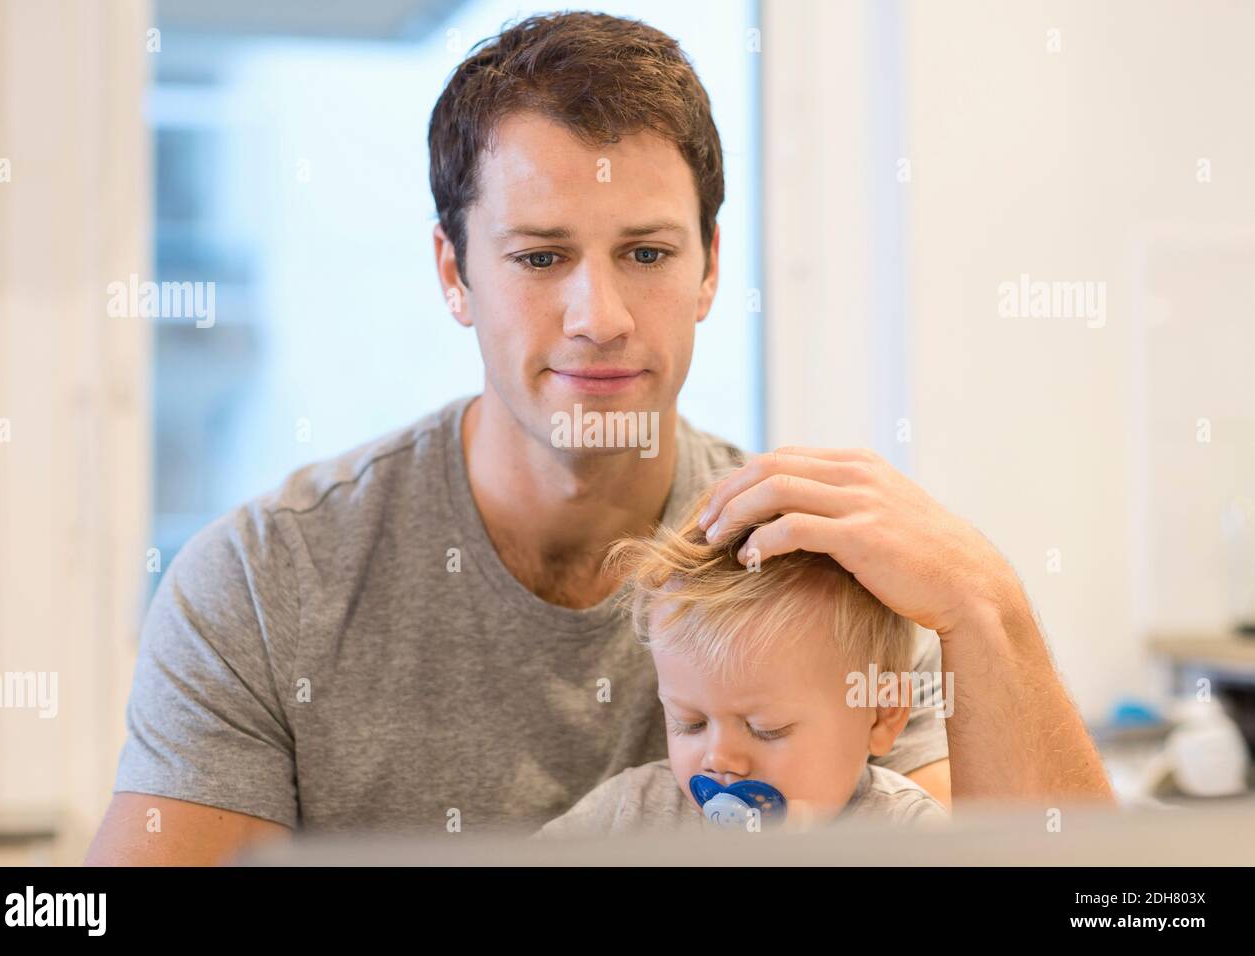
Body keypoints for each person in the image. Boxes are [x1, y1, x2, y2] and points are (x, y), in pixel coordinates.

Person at [86, 10, 1110, 866]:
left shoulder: (816, 575)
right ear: (453, 274)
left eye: (647, 252)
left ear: (710, 265)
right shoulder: (266, 585)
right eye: (539, 257)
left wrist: (988, 605)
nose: (599, 314)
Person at [536, 487, 947, 837]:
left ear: (880, 713)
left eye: (766, 729)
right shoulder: (627, 815)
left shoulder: (907, 832)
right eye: (689, 722)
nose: (719, 759)